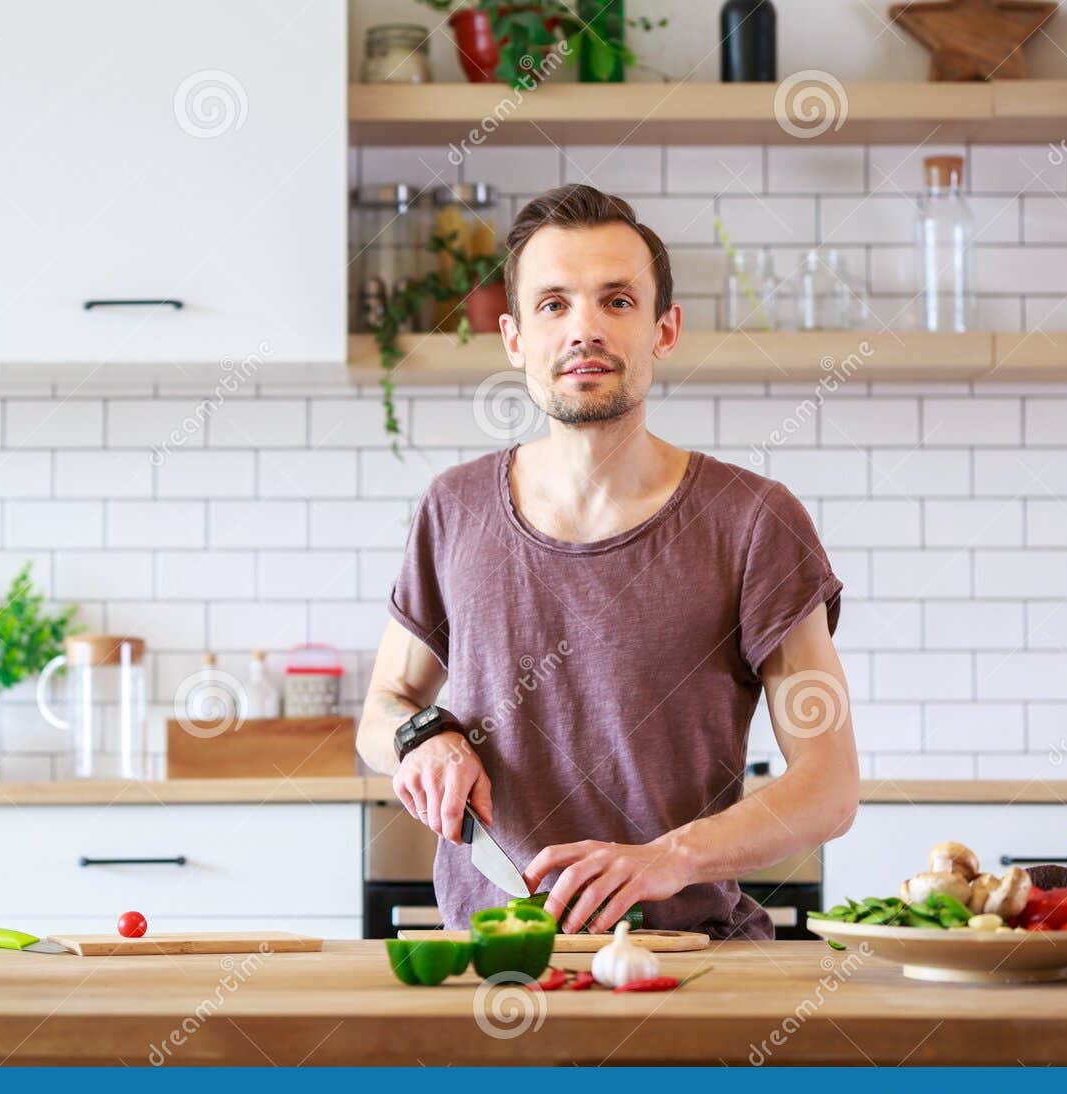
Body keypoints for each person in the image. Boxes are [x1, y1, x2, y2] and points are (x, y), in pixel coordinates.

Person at [356, 184, 858, 939]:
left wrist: (671, 857)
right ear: (514, 338)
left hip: (691, 968)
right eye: (553, 304)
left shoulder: (754, 520)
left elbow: (830, 786)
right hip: (497, 966)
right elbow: (380, 712)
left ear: (666, 329)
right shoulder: (453, 508)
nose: (583, 328)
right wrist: (422, 736)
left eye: (616, 300)